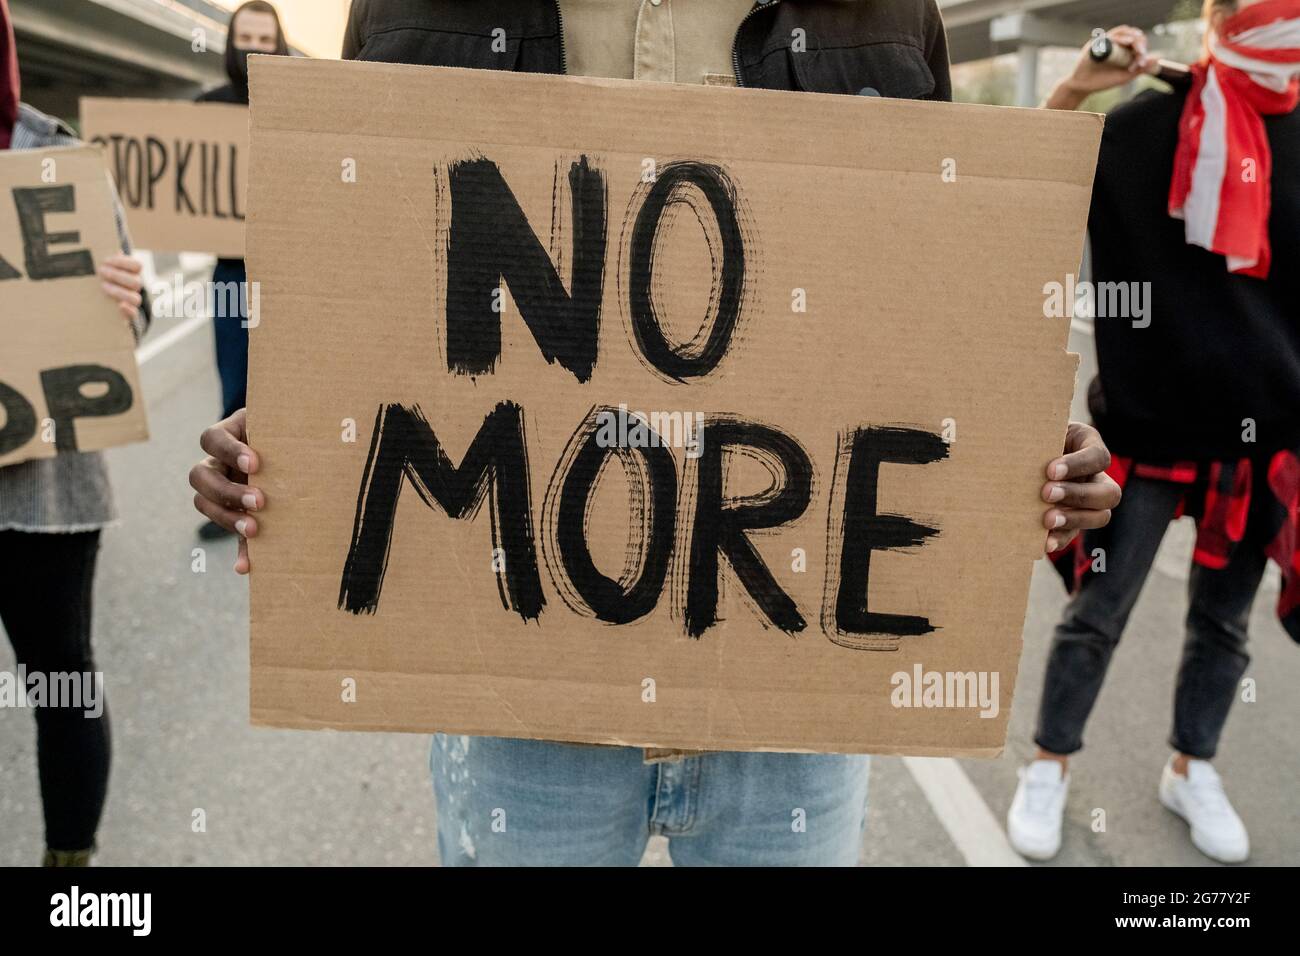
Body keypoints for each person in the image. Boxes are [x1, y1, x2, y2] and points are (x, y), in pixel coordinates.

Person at [191, 0, 1122, 866]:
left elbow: (930, 292)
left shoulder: (883, 9)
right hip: (521, 714)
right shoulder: (415, 3)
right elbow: (372, 288)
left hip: (792, 721)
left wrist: (1014, 447)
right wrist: (298, 438)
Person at [1009, 0, 1300, 864]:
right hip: (1143, 430)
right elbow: (1004, 192)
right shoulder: (1140, 129)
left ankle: (1192, 766)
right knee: (1096, 616)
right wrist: (1074, 88)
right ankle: (1049, 766)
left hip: (1263, 441)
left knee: (1224, 629)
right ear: (1215, 13)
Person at [0, 0, 152, 866]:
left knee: (61, 682)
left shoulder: (52, 154)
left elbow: (122, 333)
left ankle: (70, 871)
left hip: (46, 493)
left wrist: (127, 298)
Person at [195, 0, 288, 541]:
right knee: (235, 388)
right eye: (245, 37)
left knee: (284, 384)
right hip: (232, 274)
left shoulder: (294, 109)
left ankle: (282, 494)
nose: (254, 48)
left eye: (265, 38)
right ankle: (230, 498)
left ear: (278, 45)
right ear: (231, 43)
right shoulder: (203, 112)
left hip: (287, 275)